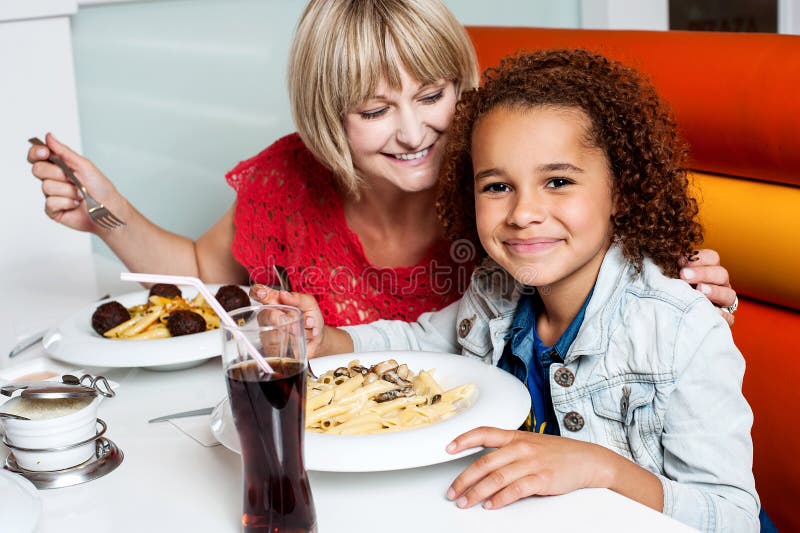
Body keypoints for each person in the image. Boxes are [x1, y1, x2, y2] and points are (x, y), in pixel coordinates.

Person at [252, 49, 759, 531]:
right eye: (497, 186)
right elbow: (419, 342)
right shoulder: (493, 292)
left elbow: (733, 516)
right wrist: (325, 338)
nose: (522, 213)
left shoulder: (679, 330)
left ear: (621, 189)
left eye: (558, 181)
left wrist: (600, 468)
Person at [27, 0, 736, 327]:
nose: (414, 131)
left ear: (463, 83)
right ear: (325, 117)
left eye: (432, 95)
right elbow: (203, 272)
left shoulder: (505, 179)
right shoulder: (287, 179)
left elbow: (612, 262)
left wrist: (694, 290)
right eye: (373, 111)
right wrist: (105, 210)